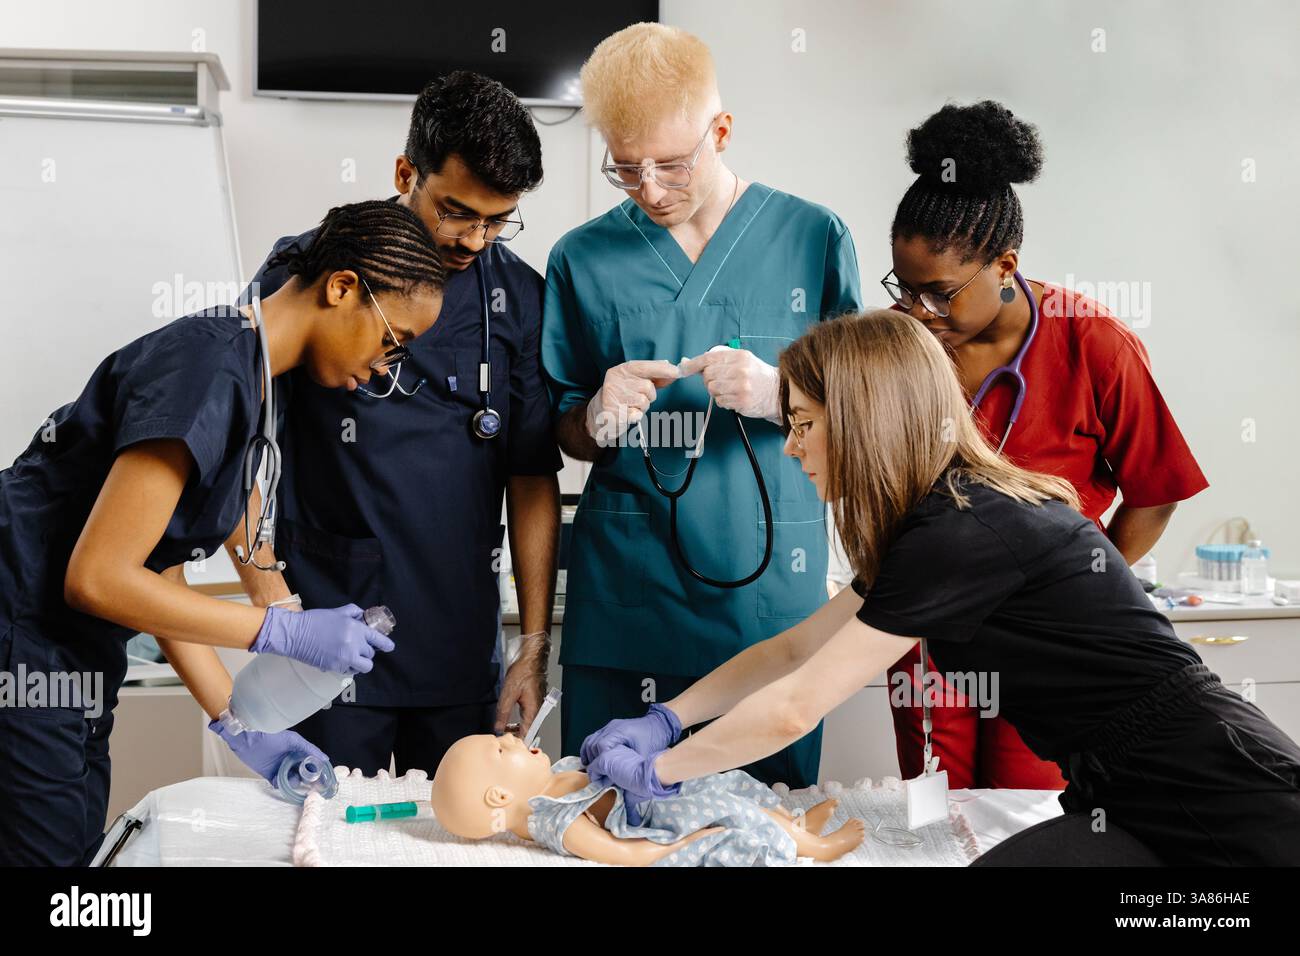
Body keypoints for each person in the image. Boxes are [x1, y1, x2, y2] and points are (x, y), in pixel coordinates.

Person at [579, 310, 1300, 866]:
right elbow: (795, 650)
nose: (791, 446)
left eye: (802, 424)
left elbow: (795, 706)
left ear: (862, 421)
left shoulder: (964, 529)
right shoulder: (935, 518)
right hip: (1123, 790)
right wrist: (666, 719)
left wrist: (662, 773)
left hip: (1222, 789)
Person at [0, 201, 445, 865]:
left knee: (77, 849)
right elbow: (97, 578)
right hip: (22, 633)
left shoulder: (260, 384)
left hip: (68, 655)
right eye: (392, 341)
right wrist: (279, 630)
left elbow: (156, 566)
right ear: (343, 288)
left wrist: (238, 727)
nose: (386, 367)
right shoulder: (208, 369)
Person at [542, 23, 862, 789]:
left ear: (720, 131)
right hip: (628, 595)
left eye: (671, 165)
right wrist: (592, 417)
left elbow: (875, 416)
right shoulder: (581, 259)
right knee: (605, 807)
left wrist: (782, 396)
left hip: (766, 603)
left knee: (766, 820)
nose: (649, 189)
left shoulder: (812, 239)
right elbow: (557, 428)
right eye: (625, 169)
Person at [236, 72, 562, 776]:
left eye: (498, 220)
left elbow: (532, 478)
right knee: (318, 836)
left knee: (456, 838)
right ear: (405, 172)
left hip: (456, 644)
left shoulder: (519, 298)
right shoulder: (313, 266)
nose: (476, 239)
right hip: (326, 636)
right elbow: (238, 442)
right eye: (457, 212)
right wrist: (274, 611)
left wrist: (531, 649)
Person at [879, 101, 1208, 789]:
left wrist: (1086, 582)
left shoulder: (1094, 343)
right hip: (930, 624)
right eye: (902, 290)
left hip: (1052, 633)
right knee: (938, 814)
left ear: (1004, 265)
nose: (915, 313)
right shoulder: (897, 347)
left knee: (1033, 808)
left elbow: (1158, 488)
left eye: (936, 295)